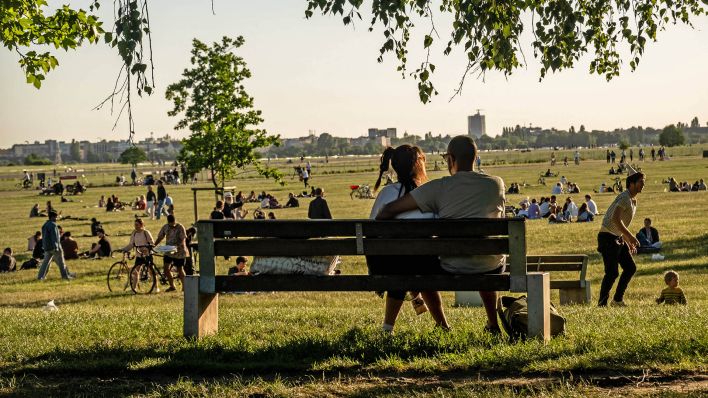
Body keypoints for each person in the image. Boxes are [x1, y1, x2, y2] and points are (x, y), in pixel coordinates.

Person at [377, 136, 506, 334]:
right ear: (475, 157)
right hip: (491, 265)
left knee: (423, 266)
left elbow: (388, 211)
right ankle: (493, 324)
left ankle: (442, 325)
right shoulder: (496, 184)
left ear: (450, 159)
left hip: (452, 264)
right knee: (484, 259)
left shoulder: (439, 187)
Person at [367, 145, 445, 332]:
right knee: (418, 267)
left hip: (391, 265)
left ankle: (388, 327)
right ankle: (442, 326)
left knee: (401, 265)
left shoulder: (387, 193)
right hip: (426, 265)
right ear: (418, 164)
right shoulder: (428, 193)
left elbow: (371, 229)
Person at [597, 166, 645, 307]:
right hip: (607, 237)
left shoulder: (633, 200)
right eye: (641, 182)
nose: (643, 185)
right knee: (612, 273)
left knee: (630, 268)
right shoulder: (625, 197)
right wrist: (630, 237)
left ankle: (617, 300)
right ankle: (602, 304)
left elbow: (620, 224)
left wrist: (627, 241)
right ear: (632, 183)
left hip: (617, 237)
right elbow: (615, 220)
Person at [154, 214, 189, 292]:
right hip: (169, 251)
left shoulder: (180, 227)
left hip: (179, 252)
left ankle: (184, 287)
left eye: (173, 223)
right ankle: (172, 286)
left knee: (180, 269)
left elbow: (183, 239)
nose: (172, 225)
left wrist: (177, 246)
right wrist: (154, 245)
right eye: (170, 224)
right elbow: (160, 237)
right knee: (166, 268)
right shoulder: (165, 227)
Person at [37, 211, 74, 280]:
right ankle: (65, 277)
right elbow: (55, 238)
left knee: (45, 263)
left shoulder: (44, 225)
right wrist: (56, 247)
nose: (56, 218)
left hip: (47, 248)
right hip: (54, 247)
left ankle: (40, 277)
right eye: (56, 217)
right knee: (61, 263)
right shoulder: (53, 225)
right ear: (52, 217)